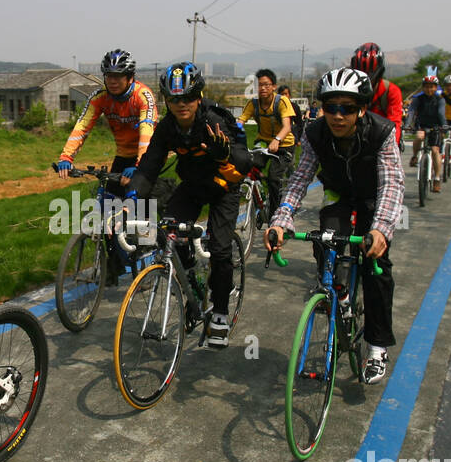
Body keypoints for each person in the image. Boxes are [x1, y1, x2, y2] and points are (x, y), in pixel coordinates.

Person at [265, 67, 404, 384]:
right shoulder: (314, 133)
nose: (338, 116)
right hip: (338, 194)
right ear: (321, 108)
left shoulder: (382, 133)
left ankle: (378, 347)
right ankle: (337, 295)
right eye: (331, 108)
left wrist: (380, 229)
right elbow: (300, 179)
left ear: (363, 109)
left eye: (348, 108)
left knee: (375, 265)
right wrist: (281, 220)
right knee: (326, 240)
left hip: (372, 199)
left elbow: (392, 186)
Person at [126, 62, 249, 348]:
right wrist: (128, 204)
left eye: (188, 97)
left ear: (198, 96)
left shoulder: (214, 120)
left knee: (219, 250)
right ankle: (191, 276)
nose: (181, 104)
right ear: (166, 100)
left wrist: (224, 155)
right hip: (192, 186)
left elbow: (243, 163)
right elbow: (148, 169)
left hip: (223, 188)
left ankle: (219, 313)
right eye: (174, 99)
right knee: (170, 234)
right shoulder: (167, 127)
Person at [55, 48, 158, 197]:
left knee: (138, 202)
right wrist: (66, 157)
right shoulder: (100, 97)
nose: (112, 81)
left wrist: (139, 165)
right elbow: (82, 126)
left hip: (148, 155)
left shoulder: (143, 96)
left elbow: (146, 131)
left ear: (130, 78)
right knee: (110, 202)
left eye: (118, 76)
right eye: (109, 75)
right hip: (123, 155)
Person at [239, 68, 296, 220]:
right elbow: (240, 121)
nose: (262, 88)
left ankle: (275, 216)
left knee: (274, 178)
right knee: (248, 167)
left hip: (284, 144)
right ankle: (259, 201)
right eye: (259, 85)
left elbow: (287, 126)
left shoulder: (282, 101)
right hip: (263, 142)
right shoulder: (254, 103)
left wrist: (277, 140)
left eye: (266, 85)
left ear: (273, 86)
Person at [351, 42, 403, 150]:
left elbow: (394, 124)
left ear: (378, 73)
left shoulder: (391, 91)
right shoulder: (349, 91)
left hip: (382, 138)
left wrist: (390, 148)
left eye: (369, 76)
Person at [405, 75, 447, 191]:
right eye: (427, 87)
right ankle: (414, 156)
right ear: (423, 88)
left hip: (436, 127)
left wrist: (444, 126)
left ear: (436, 87)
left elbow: (441, 113)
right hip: (422, 125)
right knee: (419, 137)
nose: (429, 89)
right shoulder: (418, 99)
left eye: (432, 87)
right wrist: (408, 124)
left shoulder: (440, 100)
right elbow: (412, 111)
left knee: (435, 150)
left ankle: (437, 178)